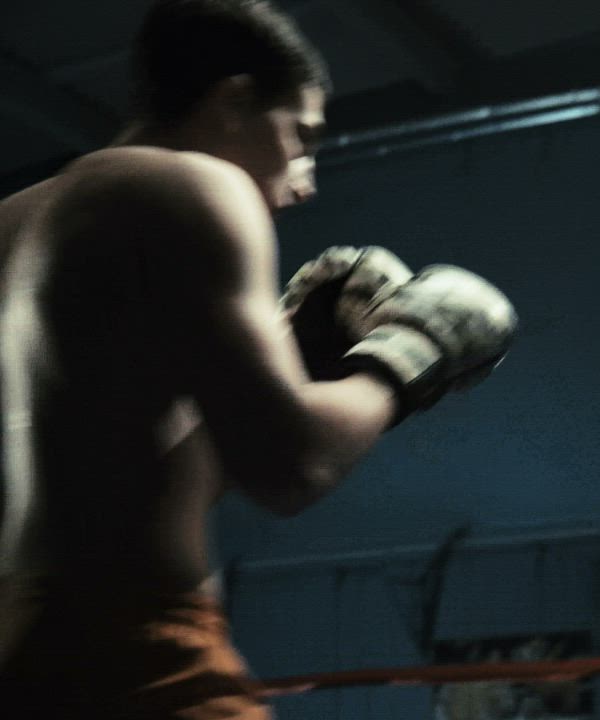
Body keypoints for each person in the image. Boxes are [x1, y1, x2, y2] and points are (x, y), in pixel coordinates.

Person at [0, 1, 516, 717]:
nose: (304, 179)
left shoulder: (18, 220)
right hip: (134, 660)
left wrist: (299, 350)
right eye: (301, 136)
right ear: (235, 99)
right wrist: (416, 348)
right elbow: (290, 465)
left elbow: (122, 481)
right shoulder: (191, 185)